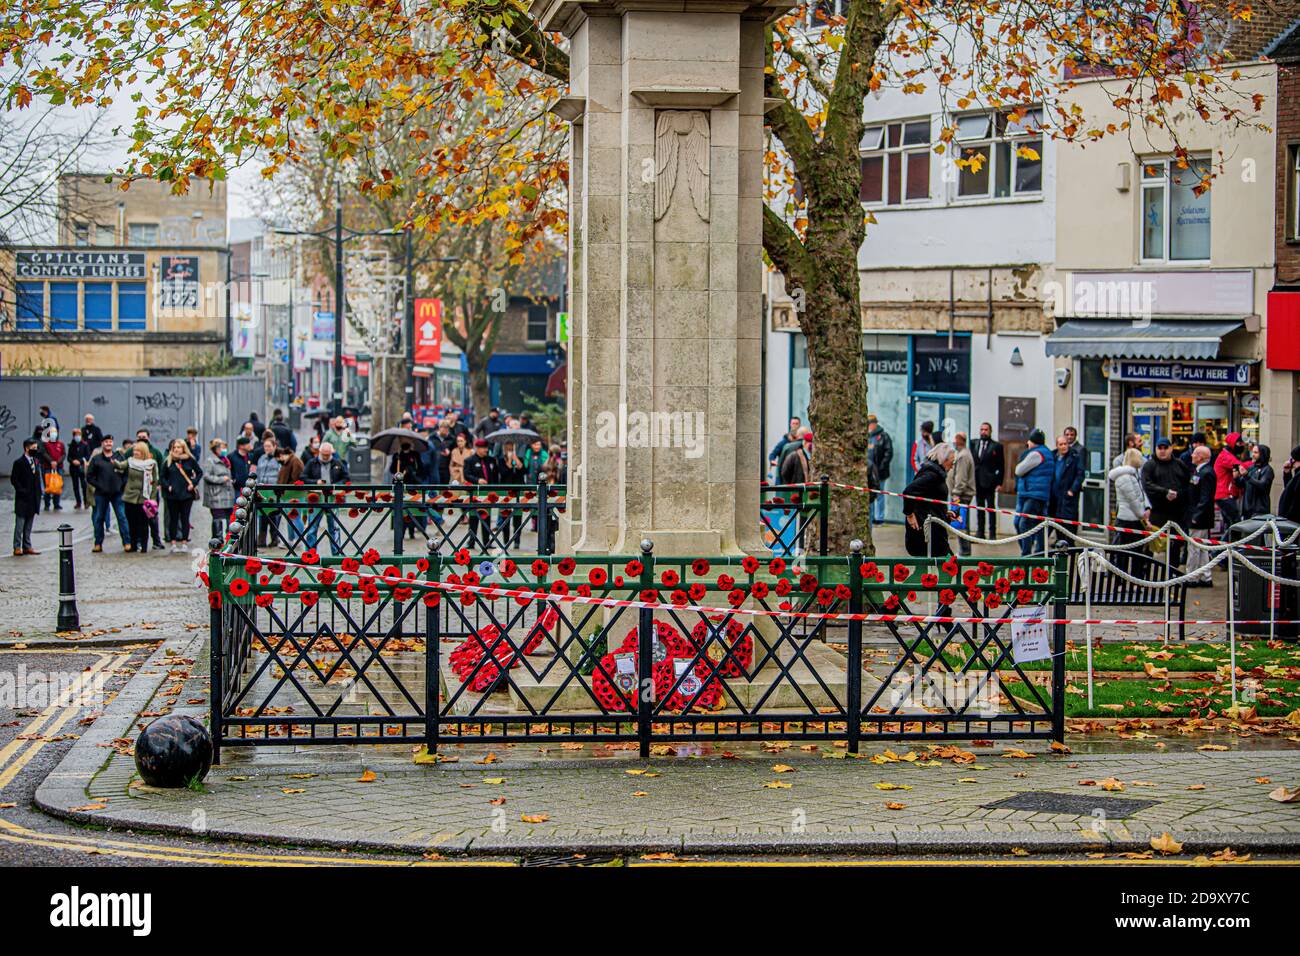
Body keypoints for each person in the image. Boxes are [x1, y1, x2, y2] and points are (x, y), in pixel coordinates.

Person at [1141, 437, 1192, 566]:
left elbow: (1189, 484)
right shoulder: (1150, 465)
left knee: (1174, 545)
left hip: (1176, 513)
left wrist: (1178, 494)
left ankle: (1172, 574)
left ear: (1171, 448)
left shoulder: (1179, 464)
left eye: (1165, 448)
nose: (1162, 451)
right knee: (1151, 545)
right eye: (1160, 448)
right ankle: (1144, 572)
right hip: (1156, 512)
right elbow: (1146, 485)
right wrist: (1165, 492)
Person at [902, 443, 956, 558]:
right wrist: (909, 515)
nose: (953, 465)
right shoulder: (931, 475)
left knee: (945, 565)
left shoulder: (936, 475)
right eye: (952, 461)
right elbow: (908, 492)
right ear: (944, 459)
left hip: (934, 530)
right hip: (926, 532)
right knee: (948, 565)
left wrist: (944, 514)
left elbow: (930, 501)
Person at [1109, 447, 1151, 574]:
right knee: (1126, 553)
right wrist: (1143, 516)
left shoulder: (1133, 475)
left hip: (1131, 519)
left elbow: (1140, 495)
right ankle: (1123, 578)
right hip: (1128, 520)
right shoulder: (1125, 478)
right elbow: (1133, 500)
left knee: (1135, 552)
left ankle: (1133, 577)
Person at [301, 441, 349, 553]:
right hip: (316, 498)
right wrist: (315, 482)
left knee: (334, 527)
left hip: (332, 497)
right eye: (324, 454)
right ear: (320, 452)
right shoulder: (311, 463)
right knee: (312, 527)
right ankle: (310, 553)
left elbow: (346, 478)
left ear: (331, 452)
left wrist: (336, 485)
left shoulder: (338, 463)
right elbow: (303, 477)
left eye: (328, 454)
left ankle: (336, 553)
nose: (326, 457)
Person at [1013, 429, 1054, 557]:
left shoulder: (1036, 454)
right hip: (1035, 494)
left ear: (1033, 441)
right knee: (1038, 525)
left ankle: (1026, 554)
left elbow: (1019, 470)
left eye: (1029, 440)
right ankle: (1039, 552)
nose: (1027, 443)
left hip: (1032, 494)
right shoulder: (1046, 452)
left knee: (1023, 523)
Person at [87, 436, 130, 552]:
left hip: (117, 493)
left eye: (110, 442)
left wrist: (122, 485)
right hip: (101, 493)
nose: (108, 444)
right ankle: (98, 543)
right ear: (102, 443)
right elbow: (89, 476)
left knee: (122, 517)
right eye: (106, 442)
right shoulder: (96, 459)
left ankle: (127, 542)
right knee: (99, 518)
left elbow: (126, 473)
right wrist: (99, 485)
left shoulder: (119, 457)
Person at [116, 441, 160, 554]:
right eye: (134, 451)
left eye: (138, 451)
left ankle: (144, 546)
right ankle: (133, 545)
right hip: (130, 496)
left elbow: (154, 482)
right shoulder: (130, 462)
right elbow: (120, 466)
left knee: (144, 523)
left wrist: (153, 497)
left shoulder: (151, 464)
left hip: (144, 497)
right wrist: (114, 459)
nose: (135, 453)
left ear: (143, 452)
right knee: (131, 522)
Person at [161, 439, 201, 552]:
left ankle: (184, 542)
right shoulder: (168, 461)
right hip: (172, 495)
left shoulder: (189, 460)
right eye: (175, 447)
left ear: (183, 448)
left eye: (179, 447)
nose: (177, 449)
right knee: (173, 519)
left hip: (186, 494)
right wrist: (167, 486)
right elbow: (162, 476)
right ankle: (173, 543)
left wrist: (193, 484)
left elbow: (199, 472)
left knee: (185, 518)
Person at [1185, 445, 1216, 585]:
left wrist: (1196, 515)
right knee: (1202, 548)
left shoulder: (1206, 473)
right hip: (1198, 515)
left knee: (1194, 548)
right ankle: (1205, 576)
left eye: (1195, 454)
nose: (1192, 455)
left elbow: (1206, 497)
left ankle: (1192, 576)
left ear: (1201, 457)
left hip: (1199, 517)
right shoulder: (1199, 471)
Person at [463, 438, 501, 548]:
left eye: (486, 448)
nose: (486, 450)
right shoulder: (469, 460)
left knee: (486, 517)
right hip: (475, 493)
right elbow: (466, 475)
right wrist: (477, 480)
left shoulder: (491, 460)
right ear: (478, 448)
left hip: (488, 493)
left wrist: (495, 488)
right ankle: (471, 541)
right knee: (474, 518)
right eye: (484, 448)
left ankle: (486, 542)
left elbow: (495, 474)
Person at [971, 422, 1003, 539]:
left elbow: (1001, 466)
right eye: (982, 429)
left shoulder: (996, 446)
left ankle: (992, 534)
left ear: (990, 431)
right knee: (979, 508)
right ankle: (980, 533)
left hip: (990, 483)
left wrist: (999, 482)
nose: (983, 432)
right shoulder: (974, 443)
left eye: (986, 430)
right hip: (977, 481)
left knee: (990, 508)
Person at [10, 438, 43, 556]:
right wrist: (21, 490)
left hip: (33, 498)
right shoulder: (19, 462)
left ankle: (27, 546)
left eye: (36, 448)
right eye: (33, 448)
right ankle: (17, 547)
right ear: (26, 448)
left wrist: (39, 492)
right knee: (20, 524)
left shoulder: (36, 461)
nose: (35, 450)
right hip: (23, 498)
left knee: (29, 524)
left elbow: (37, 479)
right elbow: (14, 479)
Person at [134, 429, 166, 549]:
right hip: (137, 492)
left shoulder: (155, 452)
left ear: (148, 437)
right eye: (139, 436)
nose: (142, 438)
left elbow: (161, 469)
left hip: (151, 490)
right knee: (137, 517)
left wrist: (159, 484)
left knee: (152, 516)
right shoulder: (132, 452)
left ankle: (156, 541)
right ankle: (138, 541)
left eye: (144, 436)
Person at [1050, 434, 1084, 546]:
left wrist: (1072, 490)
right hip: (1054, 497)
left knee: (1069, 523)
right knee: (1057, 522)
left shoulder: (1075, 456)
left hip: (1068, 496)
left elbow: (1080, 475)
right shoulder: (1053, 456)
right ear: (1057, 446)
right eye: (1061, 444)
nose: (1064, 446)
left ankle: (1070, 545)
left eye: (1065, 444)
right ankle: (1060, 545)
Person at [947, 432, 976, 555]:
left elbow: (961, 477)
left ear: (960, 440)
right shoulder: (963, 454)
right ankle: (964, 549)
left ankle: (964, 551)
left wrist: (956, 493)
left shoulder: (963, 456)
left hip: (962, 495)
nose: (953, 441)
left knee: (961, 524)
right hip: (962, 494)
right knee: (961, 523)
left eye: (955, 439)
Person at [202, 438, 236, 540]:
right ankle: (217, 539)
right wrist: (221, 479)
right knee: (217, 517)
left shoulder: (225, 460)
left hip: (227, 494)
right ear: (216, 448)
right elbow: (207, 476)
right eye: (222, 447)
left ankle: (227, 538)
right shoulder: (210, 461)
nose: (224, 449)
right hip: (216, 494)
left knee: (228, 517)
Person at [1213, 431, 1247, 530]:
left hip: (1223, 494)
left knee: (1230, 524)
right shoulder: (1226, 457)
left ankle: (1227, 544)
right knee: (1235, 523)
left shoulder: (1225, 455)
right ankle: (1229, 543)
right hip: (1225, 495)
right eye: (1240, 443)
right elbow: (1241, 466)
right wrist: (1254, 462)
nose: (1242, 445)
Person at [255, 437, 283, 546]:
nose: (267, 448)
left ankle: (274, 538)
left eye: (269, 446)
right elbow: (258, 472)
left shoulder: (278, 458)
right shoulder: (262, 458)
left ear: (274, 446)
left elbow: (281, 473)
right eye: (265, 446)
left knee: (273, 514)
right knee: (262, 515)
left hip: (273, 489)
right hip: (262, 489)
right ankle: (262, 539)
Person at [1237, 443, 1274, 520]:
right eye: (1252, 452)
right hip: (1247, 510)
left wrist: (1247, 476)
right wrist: (1236, 476)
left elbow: (1262, 485)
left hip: (1259, 510)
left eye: (1256, 452)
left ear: (1263, 454)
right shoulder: (1251, 468)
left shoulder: (1267, 470)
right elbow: (1240, 484)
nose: (1252, 455)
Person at [866, 414, 893, 523]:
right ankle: (871, 518)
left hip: (880, 472)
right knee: (871, 495)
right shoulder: (866, 436)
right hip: (869, 471)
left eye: (871, 424)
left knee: (880, 494)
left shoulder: (883, 436)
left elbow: (888, 452)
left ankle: (880, 517)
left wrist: (882, 467)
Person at [41, 427, 66, 511]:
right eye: (52, 432)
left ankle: (57, 504)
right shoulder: (45, 444)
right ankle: (47, 504)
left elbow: (63, 455)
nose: (53, 434)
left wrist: (57, 462)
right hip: (48, 467)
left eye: (55, 432)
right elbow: (44, 454)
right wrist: (51, 461)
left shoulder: (61, 444)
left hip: (59, 468)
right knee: (48, 486)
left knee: (58, 486)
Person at [67, 428, 91, 510]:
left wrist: (80, 461)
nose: (77, 436)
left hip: (82, 468)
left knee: (84, 486)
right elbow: (68, 457)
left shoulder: (85, 445)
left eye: (79, 435)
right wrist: (73, 461)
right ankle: (78, 502)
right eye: (76, 435)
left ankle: (86, 501)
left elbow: (88, 456)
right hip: (73, 468)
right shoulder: (71, 445)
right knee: (75, 486)